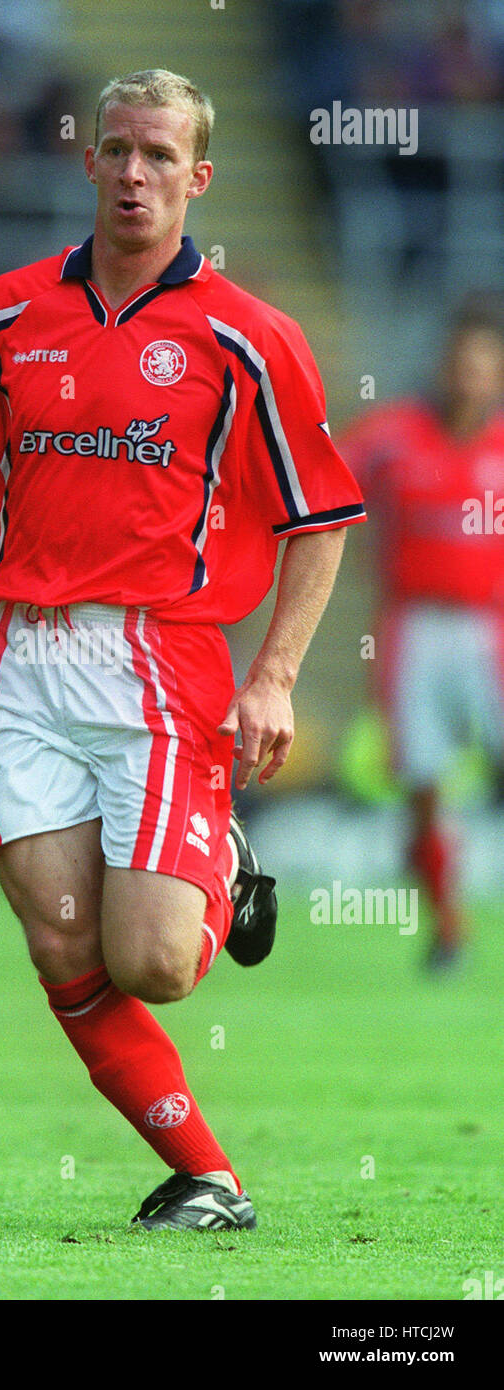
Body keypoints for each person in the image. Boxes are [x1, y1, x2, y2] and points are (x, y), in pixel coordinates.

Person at [0, 69, 365, 1231]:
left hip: (158, 662)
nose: (133, 173)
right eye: (116, 151)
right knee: (58, 938)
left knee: (152, 963)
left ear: (197, 179)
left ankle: (219, 872)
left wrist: (275, 676)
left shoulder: (248, 338)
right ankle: (208, 1176)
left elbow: (320, 518)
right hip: (14, 660)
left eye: (157, 157)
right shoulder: (6, 310)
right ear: (87, 162)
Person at [338, 296, 504, 969]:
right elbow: (324, 484)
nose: (467, 375)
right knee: (424, 784)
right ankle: (448, 928)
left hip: (489, 628)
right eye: (458, 361)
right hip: (411, 628)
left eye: (481, 364)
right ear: (441, 364)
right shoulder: (392, 435)